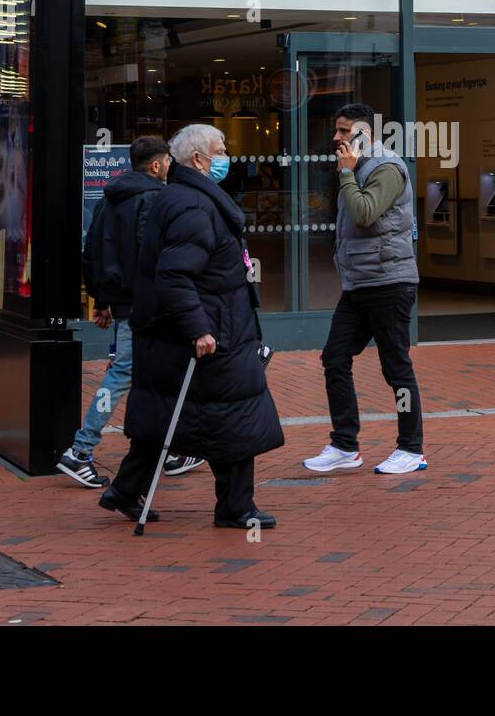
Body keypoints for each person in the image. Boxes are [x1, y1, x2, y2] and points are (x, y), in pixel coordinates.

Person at [100, 123, 284, 528]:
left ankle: (126, 489)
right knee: (234, 415)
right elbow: (175, 274)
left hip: (198, 326)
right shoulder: (194, 205)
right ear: (199, 159)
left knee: (171, 412)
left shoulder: (184, 196)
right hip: (214, 329)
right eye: (220, 148)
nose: (225, 155)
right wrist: (198, 328)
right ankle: (236, 506)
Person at [58, 136, 204, 487]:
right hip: (146, 306)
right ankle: (79, 451)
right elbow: (149, 256)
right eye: (167, 161)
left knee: (154, 375)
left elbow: (92, 249)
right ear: (156, 165)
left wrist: (102, 299)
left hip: (124, 302)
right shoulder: (154, 199)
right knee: (124, 373)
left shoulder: (111, 198)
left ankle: (167, 450)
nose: (170, 166)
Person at [303, 103, 426, 475]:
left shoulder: (386, 167)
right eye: (335, 131)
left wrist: (345, 175)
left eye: (344, 131)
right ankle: (345, 444)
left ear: (365, 133)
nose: (336, 138)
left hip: (390, 282)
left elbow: (365, 213)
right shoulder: (357, 167)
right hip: (359, 284)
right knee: (334, 358)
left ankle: (411, 448)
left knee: (396, 367)